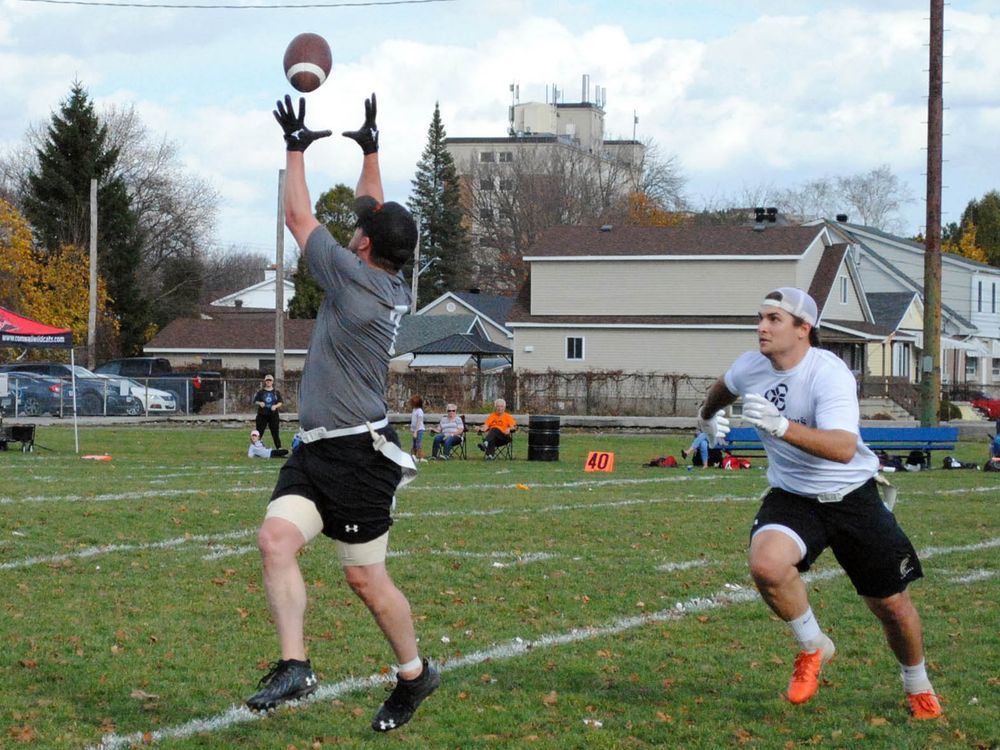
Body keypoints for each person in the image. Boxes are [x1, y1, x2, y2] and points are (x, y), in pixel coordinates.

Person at [245, 92, 438, 732]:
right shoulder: (385, 271)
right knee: (276, 539)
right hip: (317, 447)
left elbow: (298, 213)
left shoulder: (352, 282)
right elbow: (373, 207)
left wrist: (295, 146)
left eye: (360, 226)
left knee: (367, 582)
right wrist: (370, 148)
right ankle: (295, 664)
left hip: (359, 456)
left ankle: (415, 674)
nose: (355, 224)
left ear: (360, 245)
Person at [694, 287, 942, 719]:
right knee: (766, 564)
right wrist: (706, 415)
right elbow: (723, 387)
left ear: (803, 329)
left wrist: (782, 426)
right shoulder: (751, 365)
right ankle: (814, 646)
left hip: (851, 497)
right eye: (760, 317)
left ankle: (916, 683)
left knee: (891, 606)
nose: (762, 327)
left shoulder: (828, 373)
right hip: (793, 496)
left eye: (774, 319)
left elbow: (844, 448)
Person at [253, 374, 284, 449]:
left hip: (273, 415)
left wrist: (275, 406)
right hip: (262, 415)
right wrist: (260, 403)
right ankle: (256, 447)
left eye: (270, 380)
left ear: (272, 382)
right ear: (265, 381)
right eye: (267, 380)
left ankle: (279, 447)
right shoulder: (261, 392)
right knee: (259, 432)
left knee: (275, 432)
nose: (268, 382)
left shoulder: (276, 392)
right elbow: (255, 401)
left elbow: (280, 402)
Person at [408, 394, 426, 462]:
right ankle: (413, 456)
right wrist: (412, 430)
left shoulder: (419, 411)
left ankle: (421, 457)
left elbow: (419, 421)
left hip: (419, 430)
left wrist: (416, 431)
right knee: (414, 443)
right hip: (414, 430)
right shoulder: (414, 410)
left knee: (418, 443)